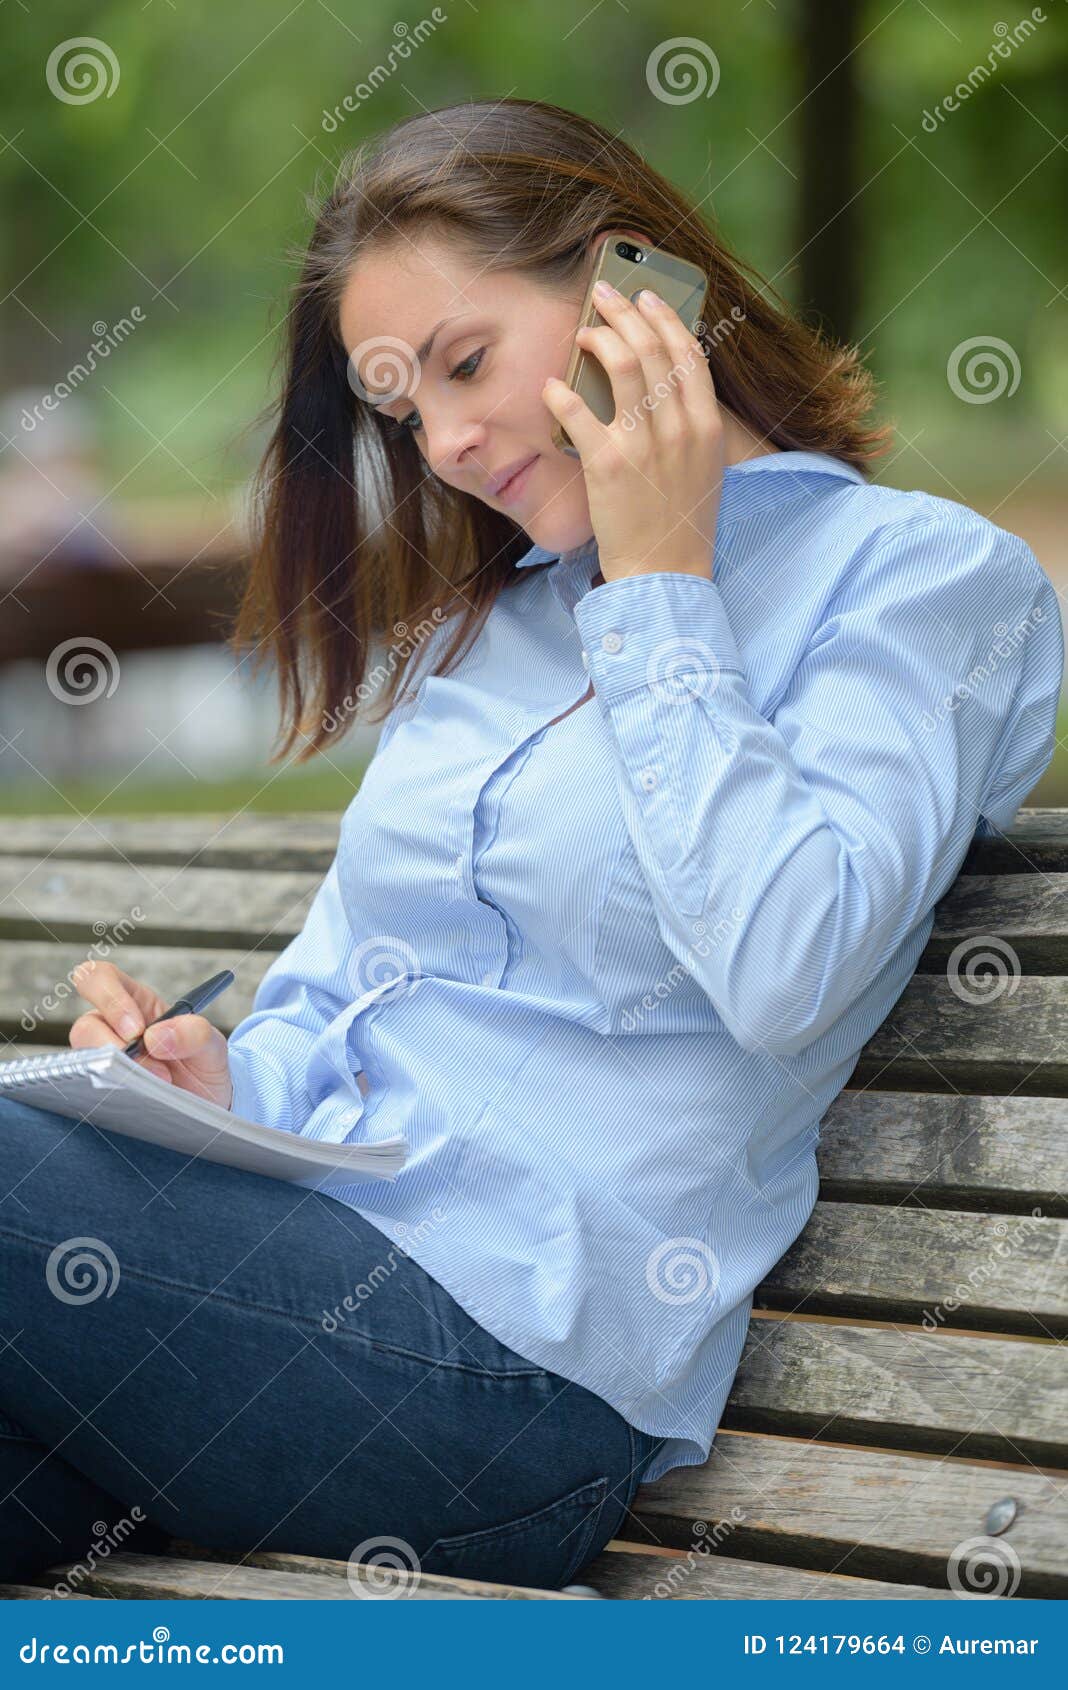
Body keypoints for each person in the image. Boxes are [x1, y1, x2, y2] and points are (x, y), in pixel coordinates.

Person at [2, 98, 1063, 1595]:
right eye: (403, 405)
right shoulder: (485, 624)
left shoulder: (924, 583)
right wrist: (223, 1080)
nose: (443, 441)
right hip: (289, 1304)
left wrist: (664, 583)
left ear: (640, 291)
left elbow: (789, 964)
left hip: (508, 1391)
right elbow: (346, 987)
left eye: (465, 363)